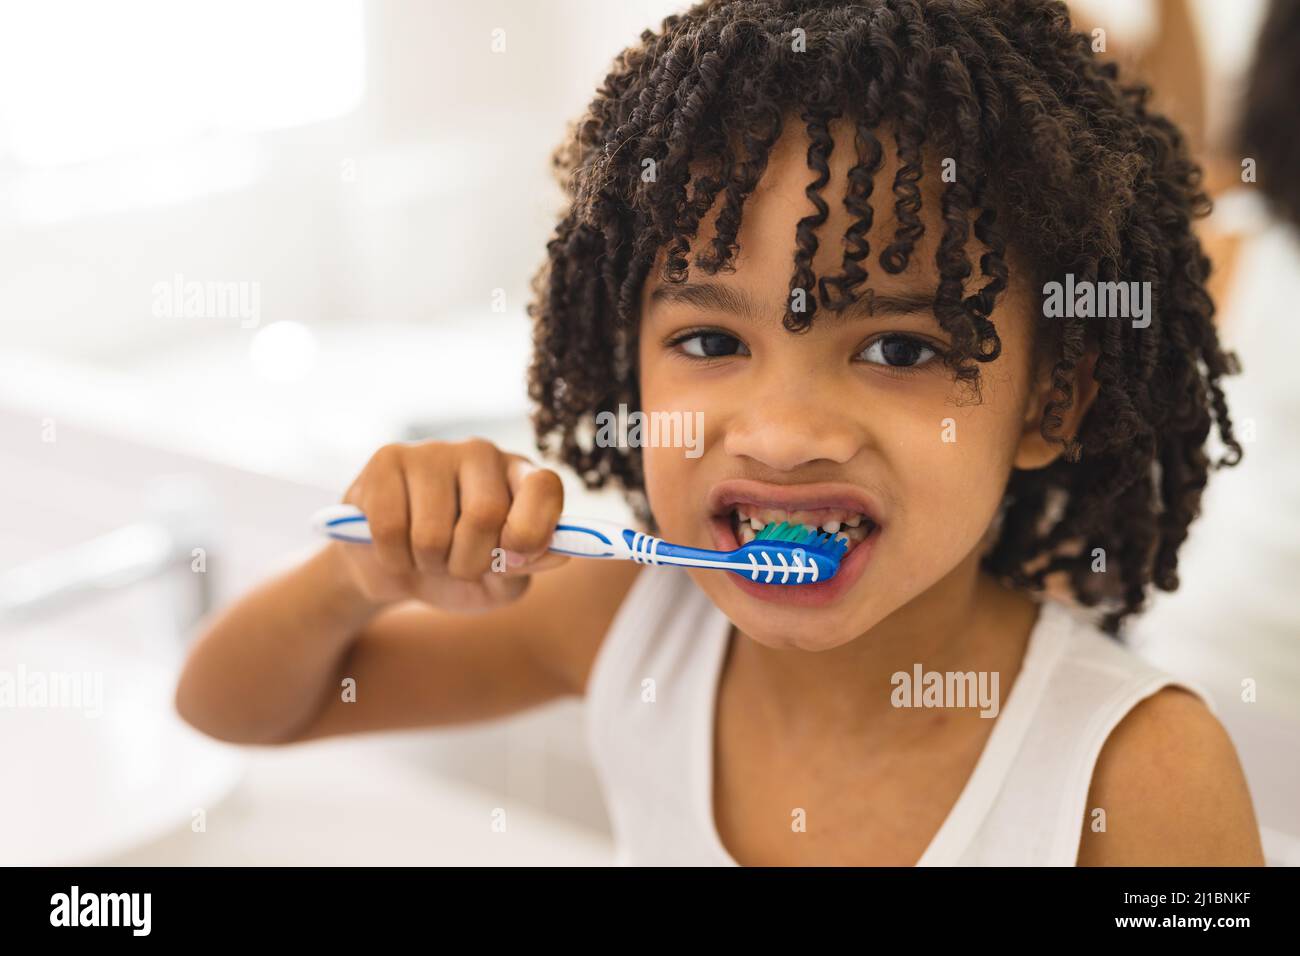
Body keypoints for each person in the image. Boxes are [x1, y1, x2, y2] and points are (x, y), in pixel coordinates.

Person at [176, 0, 1264, 865]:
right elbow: (232, 704)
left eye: (896, 349)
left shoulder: (1135, 771)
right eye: (707, 341)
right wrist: (361, 572)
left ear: (1049, 403)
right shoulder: (620, 620)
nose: (783, 435)